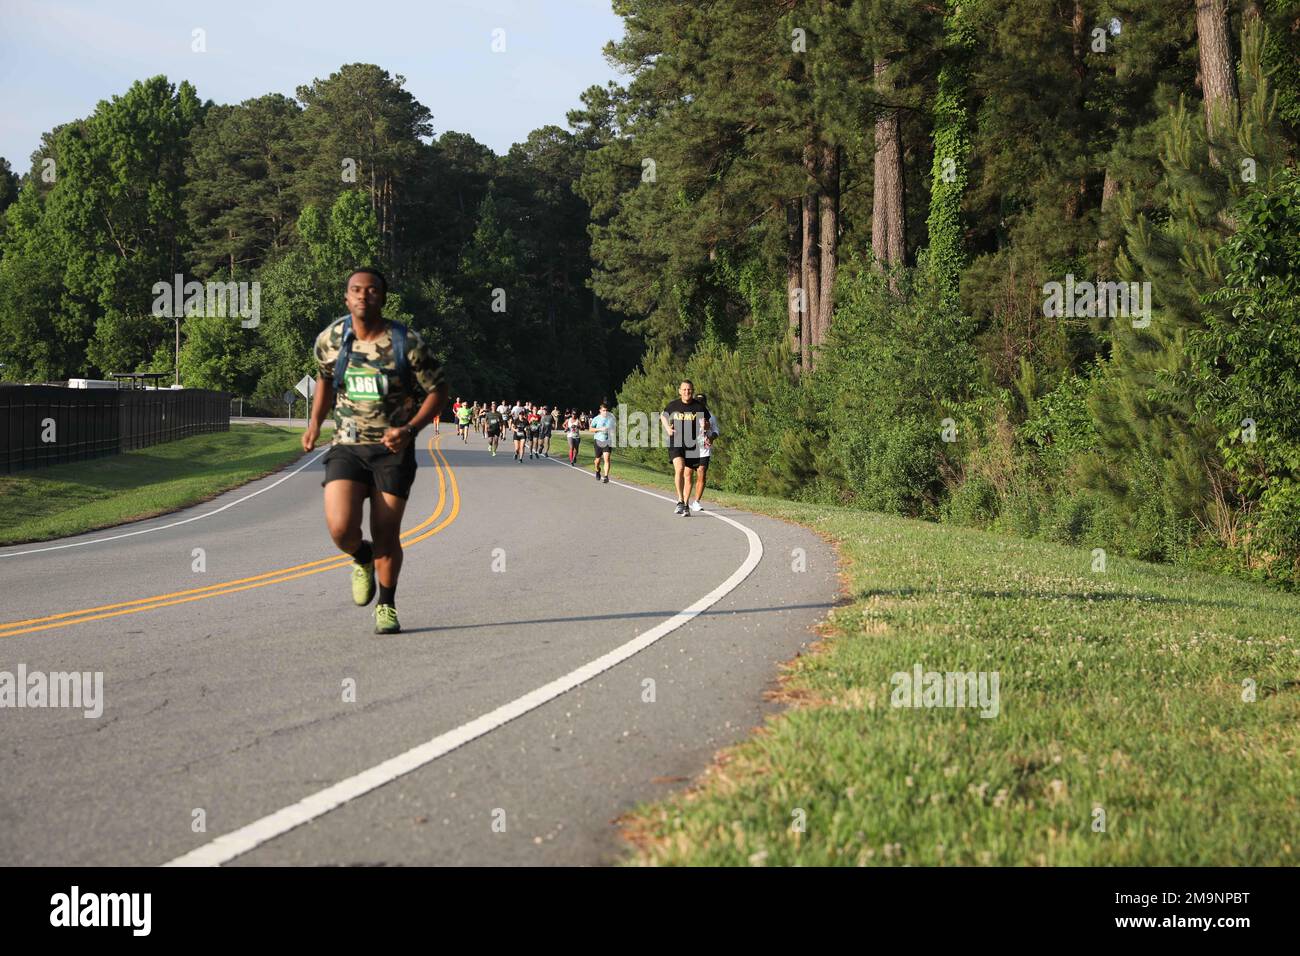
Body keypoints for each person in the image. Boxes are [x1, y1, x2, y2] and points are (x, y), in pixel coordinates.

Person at [303, 267, 448, 634]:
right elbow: (323, 380)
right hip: (347, 446)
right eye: (356, 290)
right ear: (346, 298)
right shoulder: (331, 339)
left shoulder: (407, 342)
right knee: (340, 528)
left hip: (392, 450)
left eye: (371, 290)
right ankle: (360, 556)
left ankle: (386, 604)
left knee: (386, 532)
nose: (363, 296)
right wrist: (315, 423)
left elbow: (438, 391)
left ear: (382, 297)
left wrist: (410, 428)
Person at [660, 380, 710, 517]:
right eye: (684, 389)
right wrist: (667, 429)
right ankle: (680, 500)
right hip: (676, 442)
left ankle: (686, 504)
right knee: (680, 468)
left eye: (689, 390)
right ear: (679, 391)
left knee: (688, 476)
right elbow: (663, 416)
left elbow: (708, 424)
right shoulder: (673, 405)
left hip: (692, 445)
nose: (687, 392)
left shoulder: (699, 406)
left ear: (692, 391)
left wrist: (705, 426)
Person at [689, 405, 720, 512]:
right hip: (690, 448)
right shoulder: (688, 414)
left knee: (701, 473)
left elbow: (716, 431)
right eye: (698, 401)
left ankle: (696, 501)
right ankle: (683, 500)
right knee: (687, 475)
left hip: (704, 450)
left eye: (702, 402)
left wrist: (711, 438)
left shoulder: (711, 416)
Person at [590, 401, 615, 483]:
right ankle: (597, 470)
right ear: (600, 410)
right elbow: (591, 429)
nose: (605, 412)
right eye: (603, 410)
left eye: (606, 410)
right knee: (597, 461)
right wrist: (600, 429)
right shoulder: (596, 419)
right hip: (598, 441)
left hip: (607, 441)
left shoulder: (610, 418)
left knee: (607, 459)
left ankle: (606, 476)